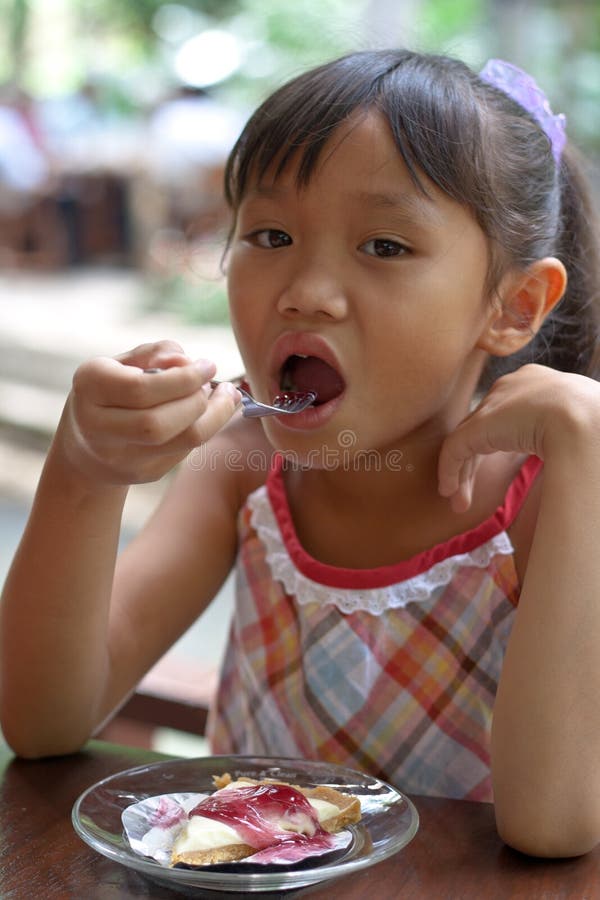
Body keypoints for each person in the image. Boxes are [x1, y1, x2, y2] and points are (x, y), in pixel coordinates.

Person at [2, 49, 600, 858]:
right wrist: (84, 472)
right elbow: (40, 721)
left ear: (513, 305)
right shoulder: (246, 469)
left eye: (384, 246)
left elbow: (553, 823)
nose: (305, 290)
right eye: (271, 234)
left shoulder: (542, 503)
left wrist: (587, 457)